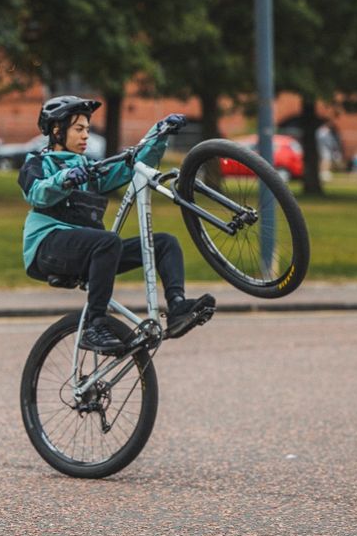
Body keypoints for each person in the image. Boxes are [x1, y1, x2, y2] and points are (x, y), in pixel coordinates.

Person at [18, 95, 215, 354]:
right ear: (57, 130)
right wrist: (66, 178)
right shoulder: (37, 163)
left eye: (88, 129)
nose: (86, 135)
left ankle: (177, 308)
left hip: (91, 249)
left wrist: (160, 133)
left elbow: (132, 166)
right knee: (107, 240)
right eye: (79, 129)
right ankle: (94, 325)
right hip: (48, 247)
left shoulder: (89, 168)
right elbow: (37, 192)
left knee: (165, 243)